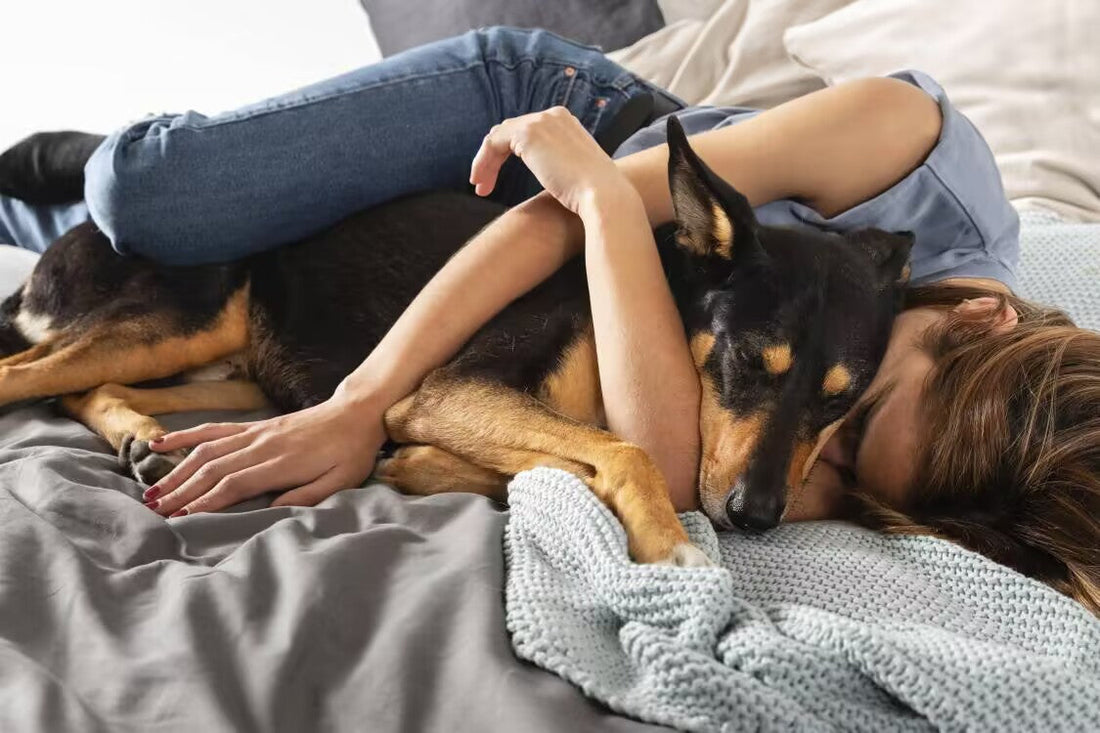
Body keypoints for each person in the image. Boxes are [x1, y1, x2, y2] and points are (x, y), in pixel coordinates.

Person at [2, 28, 1097, 614]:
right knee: (151, 197)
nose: (813, 464)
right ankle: (50, 182)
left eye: (842, 453)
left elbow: (670, 464)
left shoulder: (908, 458)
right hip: (548, 128)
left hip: (597, 228)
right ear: (979, 319)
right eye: (852, 415)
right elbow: (562, 210)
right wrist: (358, 403)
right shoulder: (902, 145)